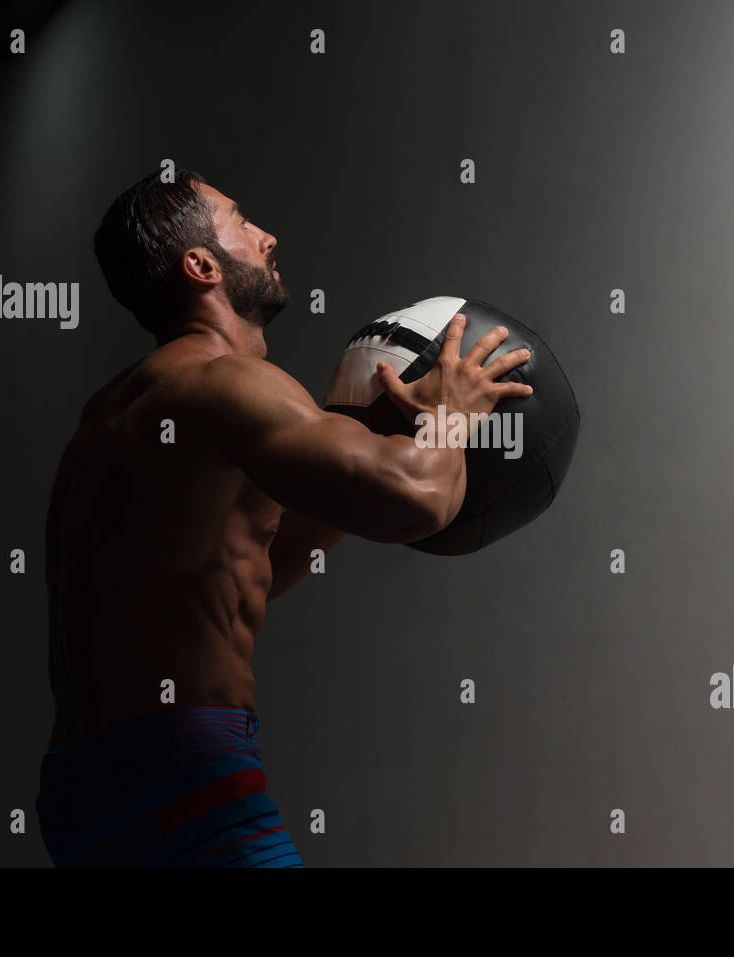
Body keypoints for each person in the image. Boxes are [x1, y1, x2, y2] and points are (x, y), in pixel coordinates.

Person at [34, 169, 533, 867]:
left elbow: (248, 573)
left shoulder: (113, 410)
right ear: (202, 265)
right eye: (241, 222)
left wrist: (354, 431)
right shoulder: (224, 380)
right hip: (183, 771)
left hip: (80, 793)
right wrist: (452, 410)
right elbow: (420, 499)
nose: (268, 237)